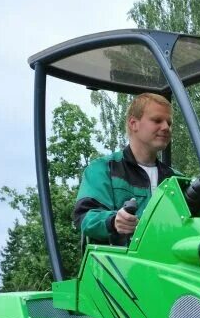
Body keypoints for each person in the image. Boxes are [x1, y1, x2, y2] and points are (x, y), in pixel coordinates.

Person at [73, 92, 178, 246]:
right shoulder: (103, 170)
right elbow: (84, 217)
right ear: (133, 123)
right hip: (117, 267)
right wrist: (113, 221)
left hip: (166, 264)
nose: (166, 127)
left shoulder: (175, 179)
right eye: (157, 120)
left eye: (169, 123)